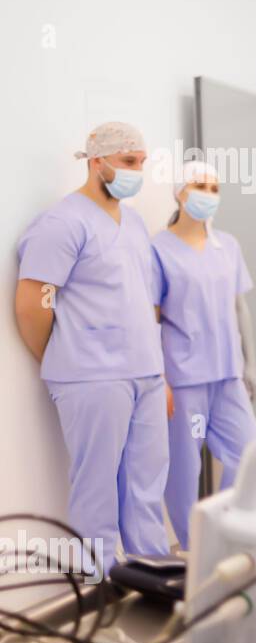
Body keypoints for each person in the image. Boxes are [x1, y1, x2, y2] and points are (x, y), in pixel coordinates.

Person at [14, 122, 170, 573]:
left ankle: (150, 579)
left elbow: (140, 297)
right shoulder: (62, 224)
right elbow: (32, 304)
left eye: (141, 162)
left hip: (145, 372)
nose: (136, 172)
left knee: (146, 488)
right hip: (91, 378)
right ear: (96, 161)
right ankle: (96, 591)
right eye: (127, 162)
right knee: (96, 490)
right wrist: (64, 357)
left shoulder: (135, 222)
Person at [152, 161, 256, 548]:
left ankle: (228, 535)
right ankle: (194, 547)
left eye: (214, 188)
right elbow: (151, 319)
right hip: (183, 377)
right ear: (180, 193)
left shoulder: (227, 245)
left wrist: (251, 363)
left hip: (227, 373)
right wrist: (158, 378)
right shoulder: (157, 249)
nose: (208, 195)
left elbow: (239, 306)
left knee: (249, 454)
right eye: (200, 186)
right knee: (184, 469)